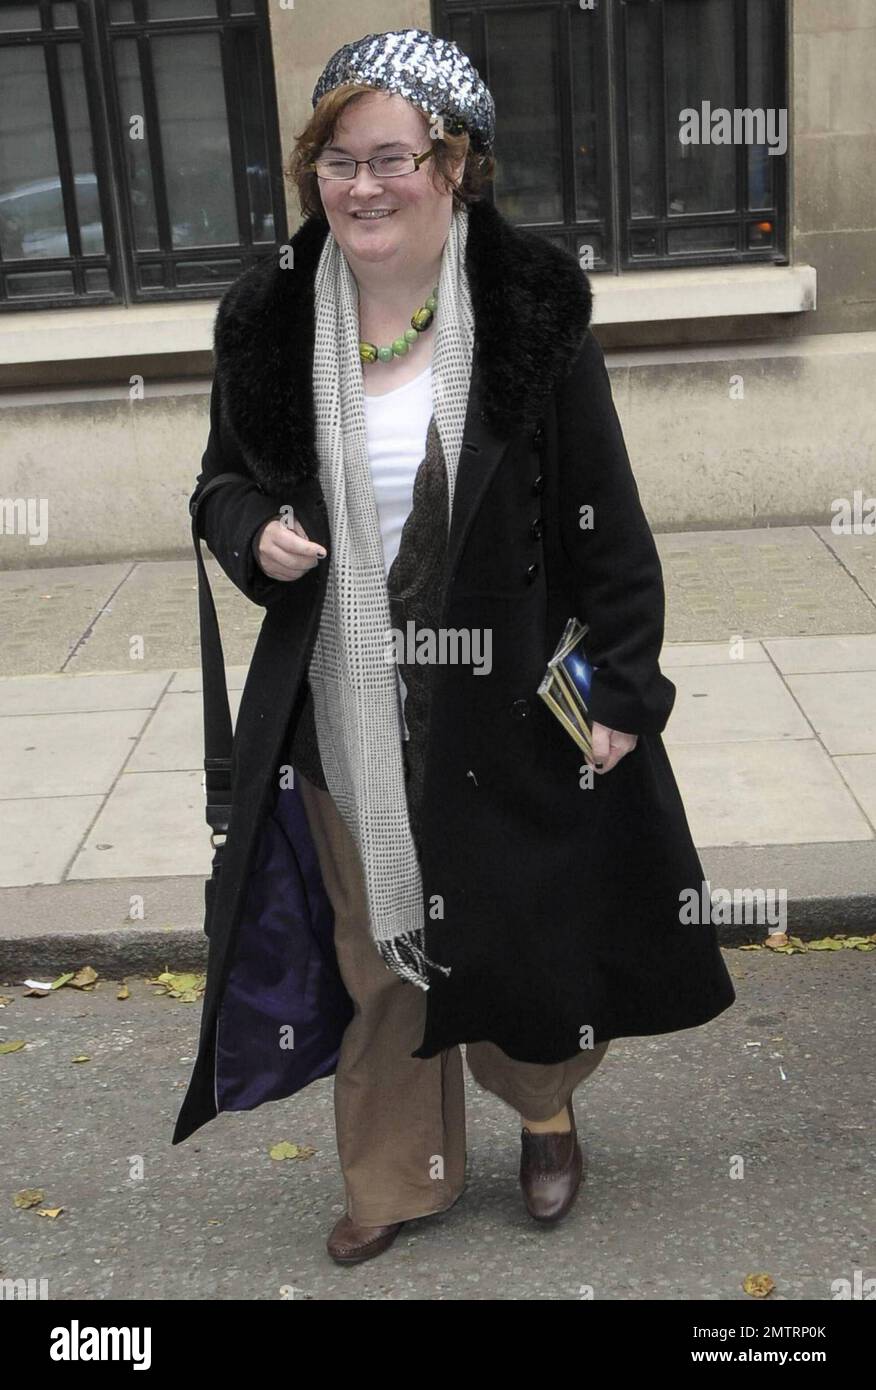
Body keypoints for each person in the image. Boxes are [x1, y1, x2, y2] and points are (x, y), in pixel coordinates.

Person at [174, 28, 736, 1266]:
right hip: (341, 700)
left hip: (510, 691)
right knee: (377, 955)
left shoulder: (531, 313)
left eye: (393, 157)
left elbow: (608, 522)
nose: (361, 186)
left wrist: (623, 687)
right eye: (336, 159)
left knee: (516, 929)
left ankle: (541, 1106)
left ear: (456, 165)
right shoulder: (267, 318)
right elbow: (217, 482)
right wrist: (251, 531)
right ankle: (399, 1172)